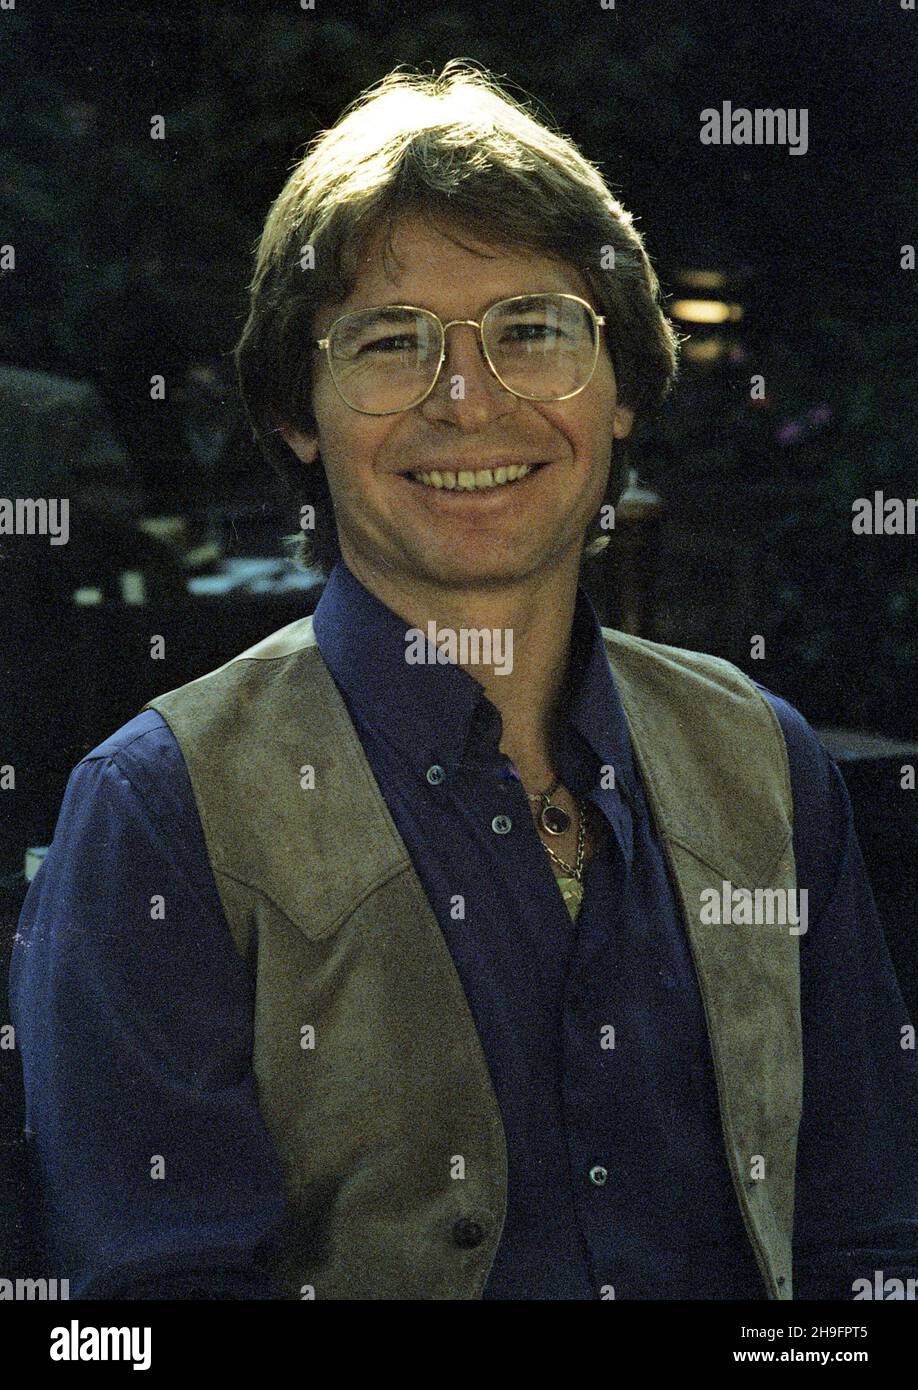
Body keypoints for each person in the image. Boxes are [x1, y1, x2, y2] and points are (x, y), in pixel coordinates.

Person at [10, 61, 917, 1301]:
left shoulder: (767, 758)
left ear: (625, 390)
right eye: (392, 343)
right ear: (296, 413)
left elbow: (867, 1246)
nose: (467, 399)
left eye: (533, 331)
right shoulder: (157, 812)